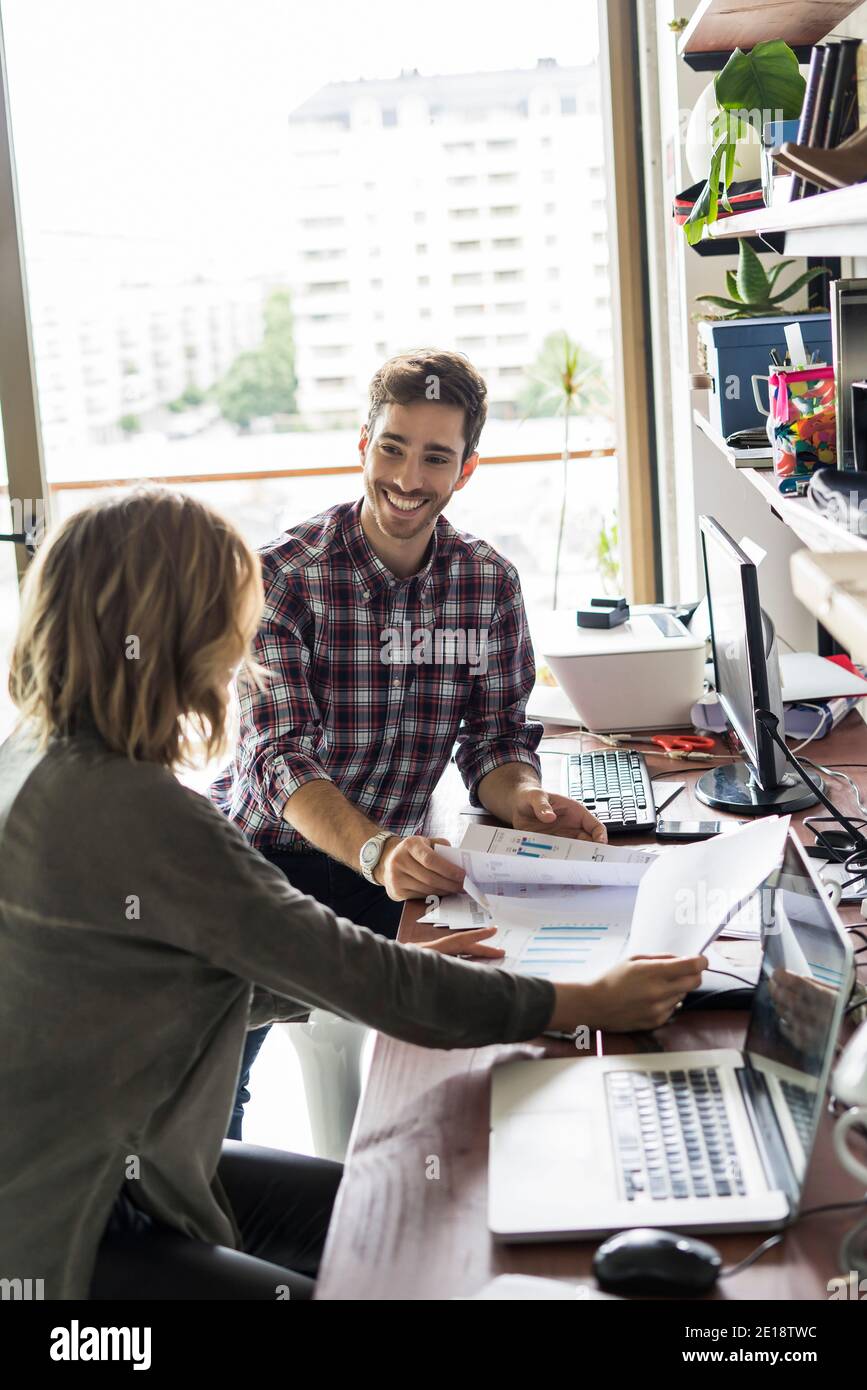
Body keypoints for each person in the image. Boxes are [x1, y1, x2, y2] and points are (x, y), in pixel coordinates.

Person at [0, 487, 705, 1300]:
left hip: (124, 1167)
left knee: (397, 1215)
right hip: (78, 1230)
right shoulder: (137, 811)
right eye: (233, 624)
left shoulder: (39, 764)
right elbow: (362, 980)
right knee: (395, 1260)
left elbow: (167, 983)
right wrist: (582, 1000)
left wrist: (401, 958)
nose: (244, 655)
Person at [212, 348, 610, 1136]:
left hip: (393, 869)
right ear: (363, 446)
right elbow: (277, 758)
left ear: (464, 470)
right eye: (391, 447)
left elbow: (494, 738)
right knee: (215, 1084)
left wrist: (525, 798)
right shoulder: (284, 579)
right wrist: (375, 852)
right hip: (266, 864)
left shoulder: (486, 583)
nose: (406, 476)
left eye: (435, 456)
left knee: (518, 989)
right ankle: (204, 1239)